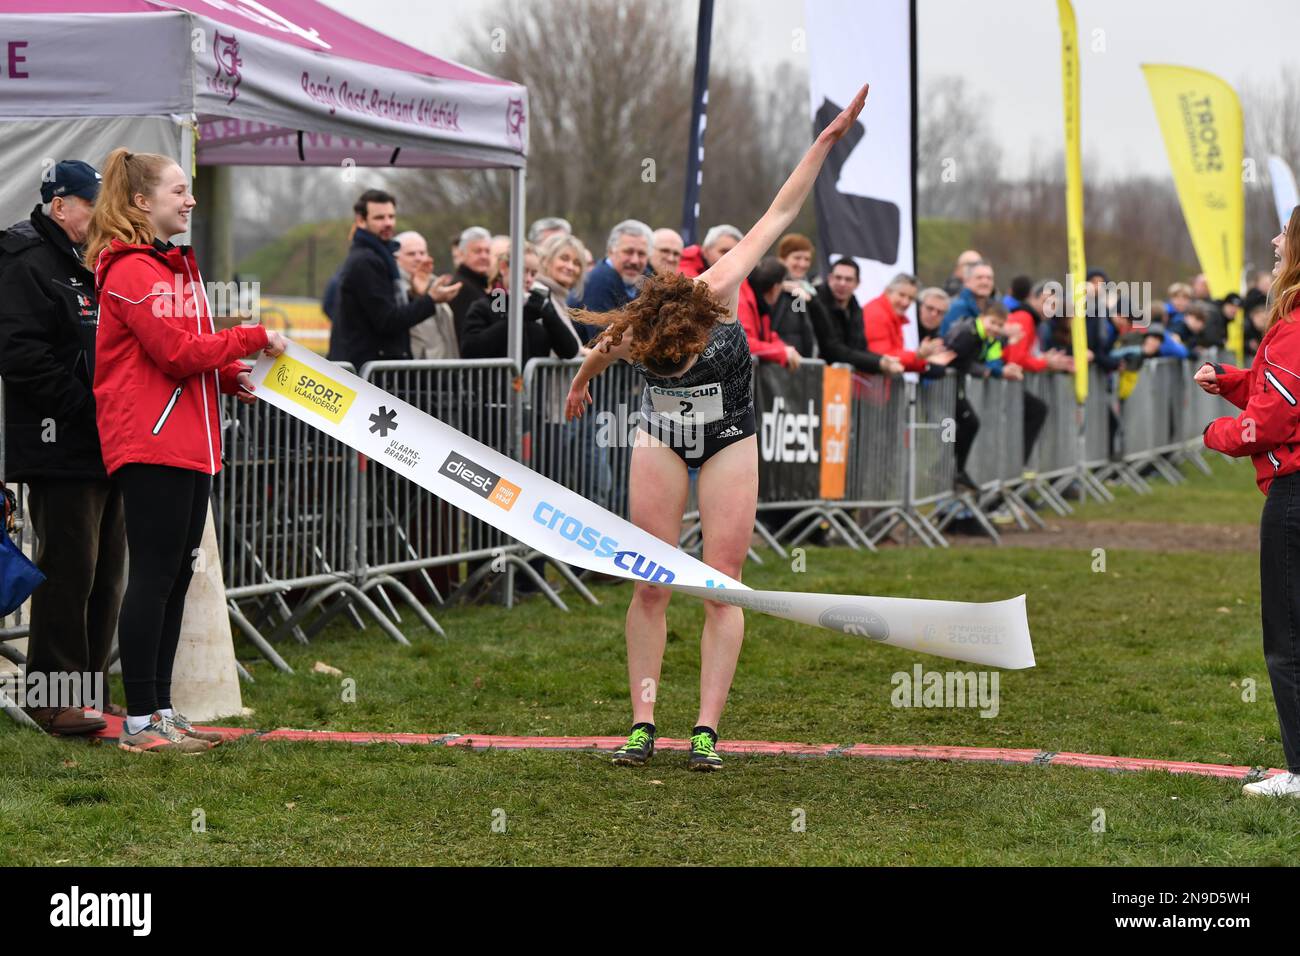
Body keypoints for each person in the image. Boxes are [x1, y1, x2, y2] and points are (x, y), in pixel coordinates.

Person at [563, 84, 872, 772]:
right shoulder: (638, 329)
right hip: (662, 442)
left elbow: (780, 210)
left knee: (721, 582)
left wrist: (823, 144)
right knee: (649, 581)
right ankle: (643, 723)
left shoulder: (721, 287)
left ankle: (705, 729)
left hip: (731, 438)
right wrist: (581, 387)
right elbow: (598, 352)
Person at [84, 148, 287, 754]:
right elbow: (174, 352)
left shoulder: (167, 266)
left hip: (188, 443)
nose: (190, 200)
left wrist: (227, 375)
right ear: (143, 202)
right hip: (152, 444)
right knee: (153, 575)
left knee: (174, 577)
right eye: (178, 191)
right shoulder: (131, 271)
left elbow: (187, 350)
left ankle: (160, 711)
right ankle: (141, 722)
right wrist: (252, 334)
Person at [0, 160, 123, 735]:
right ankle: (53, 697)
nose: (103, 216)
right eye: (93, 204)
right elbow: (21, 355)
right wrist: (87, 406)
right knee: (70, 568)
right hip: (61, 444)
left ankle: (89, 693)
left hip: (104, 443)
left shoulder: (86, 261)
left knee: (106, 574)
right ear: (61, 205)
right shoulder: (24, 258)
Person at [1198, 206, 1300, 798]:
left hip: (1294, 499)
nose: (1273, 240)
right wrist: (1235, 380)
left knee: (1288, 639)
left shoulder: (1292, 323)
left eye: (1285, 232)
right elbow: (1278, 391)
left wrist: (1215, 433)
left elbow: (1266, 424)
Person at [329, 190, 461, 367]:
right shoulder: (365, 261)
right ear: (361, 220)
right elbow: (387, 321)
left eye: (391, 216)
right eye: (379, 218)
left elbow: (389, 314)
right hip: (367, 372)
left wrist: (415, 295)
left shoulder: (381, 256)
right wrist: (431, 299)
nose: (388, 223)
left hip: (375, 368)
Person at [811, 257, 903, 376]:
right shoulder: (815, 303)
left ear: (857, 283)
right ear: (829, 278)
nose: (842, 283)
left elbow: (859, 348)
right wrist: (878, 362)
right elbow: (832, 348)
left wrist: (882, 360)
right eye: (838, 278)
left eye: (848, 279)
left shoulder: (855, 309)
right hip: (816, 376)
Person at [862, 272, 953, 374]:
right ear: (888, 291)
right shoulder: (877, 314)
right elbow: (883, 357)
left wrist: (923, 361)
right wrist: (919, 356)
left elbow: (893, 357)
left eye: (910, 298)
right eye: (901, 295)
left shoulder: (893, 317)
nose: (905, 302)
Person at [399, 231, 460, 360]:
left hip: (445, 370)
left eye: (422, 253)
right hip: (416, 372)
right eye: (411, 254)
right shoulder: (395, 290)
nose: (419, 258)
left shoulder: (437, 285)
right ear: (396, 258)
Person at [579, 219, 652, 313]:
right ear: (610, 252)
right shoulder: (597, 283)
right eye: (628, 252)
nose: (635, 261)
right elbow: (602, 327)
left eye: (641, 254)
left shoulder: (648, 280)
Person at [448, 226, 493, 345]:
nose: (484, 256)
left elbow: (501, 318)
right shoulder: (460, 287)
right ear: (462, 254)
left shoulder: (491, 285)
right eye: (477, 251)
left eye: (487, 251)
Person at [941, 259, 994, 336]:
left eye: (989, 278)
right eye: (979, 278)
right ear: (966, 281)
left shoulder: (997, 308)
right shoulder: (955, 308)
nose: (985, 282)